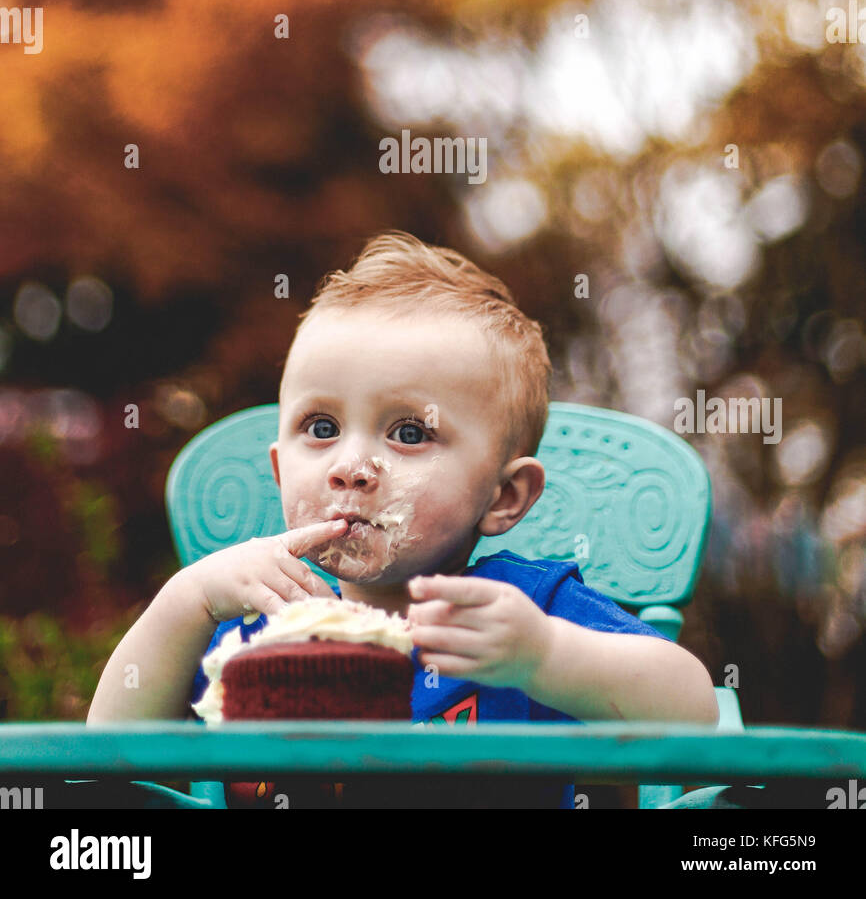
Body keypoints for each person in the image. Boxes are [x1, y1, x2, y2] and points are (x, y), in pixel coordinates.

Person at [88, 231, 718, 808]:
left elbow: (694, 715)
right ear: (281, 473)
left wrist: (545, 657)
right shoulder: (262, 629)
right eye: (323, 428)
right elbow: (107, 762)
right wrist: (186, 602)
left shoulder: (522, 613)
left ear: (504, 498)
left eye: (409, 432)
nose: (352, 466)